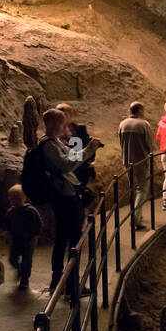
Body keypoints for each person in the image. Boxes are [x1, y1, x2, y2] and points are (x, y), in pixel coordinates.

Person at [39, 108, 102, 293]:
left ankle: (60, 282)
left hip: (68, 195)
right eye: (61, 123)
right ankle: (70, 285)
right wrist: (89, 149)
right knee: (71, 241)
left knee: (64, 240)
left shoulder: (55, 142)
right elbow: (67, 164)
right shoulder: (49, 145)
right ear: (53, 124)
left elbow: (72, 157)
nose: (64, 126)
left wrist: (89, 148)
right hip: (65, 198)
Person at [118, 101, 154, 226]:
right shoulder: (144, 124)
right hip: (140, 161)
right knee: (142, 189)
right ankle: (136, 219)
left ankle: (137, 214)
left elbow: (120, 141)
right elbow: (150, 144)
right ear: (139, 110)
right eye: (143, 110)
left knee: (132, 188)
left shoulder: (123, 124)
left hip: (126, 161)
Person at [4, 184, 43, 291]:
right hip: (16, 241)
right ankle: (19, 270)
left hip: (29, 241)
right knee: (12, 259)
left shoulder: (31, 211)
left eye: (18, 199)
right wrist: (7, 235)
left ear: (24, 198)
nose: (15, 202)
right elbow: (7, 225)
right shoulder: (11, 212)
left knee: (26, 261)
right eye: (12, 199)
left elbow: (38, 224)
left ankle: (24, 280)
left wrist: (36, 237)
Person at [56, 103, 97, 201]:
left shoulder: (80, 129)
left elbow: (88, 145)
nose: (64, 117)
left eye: (66, 114)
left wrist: (90, 161)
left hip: (81, 166)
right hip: (67, 167)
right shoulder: (56, 131)